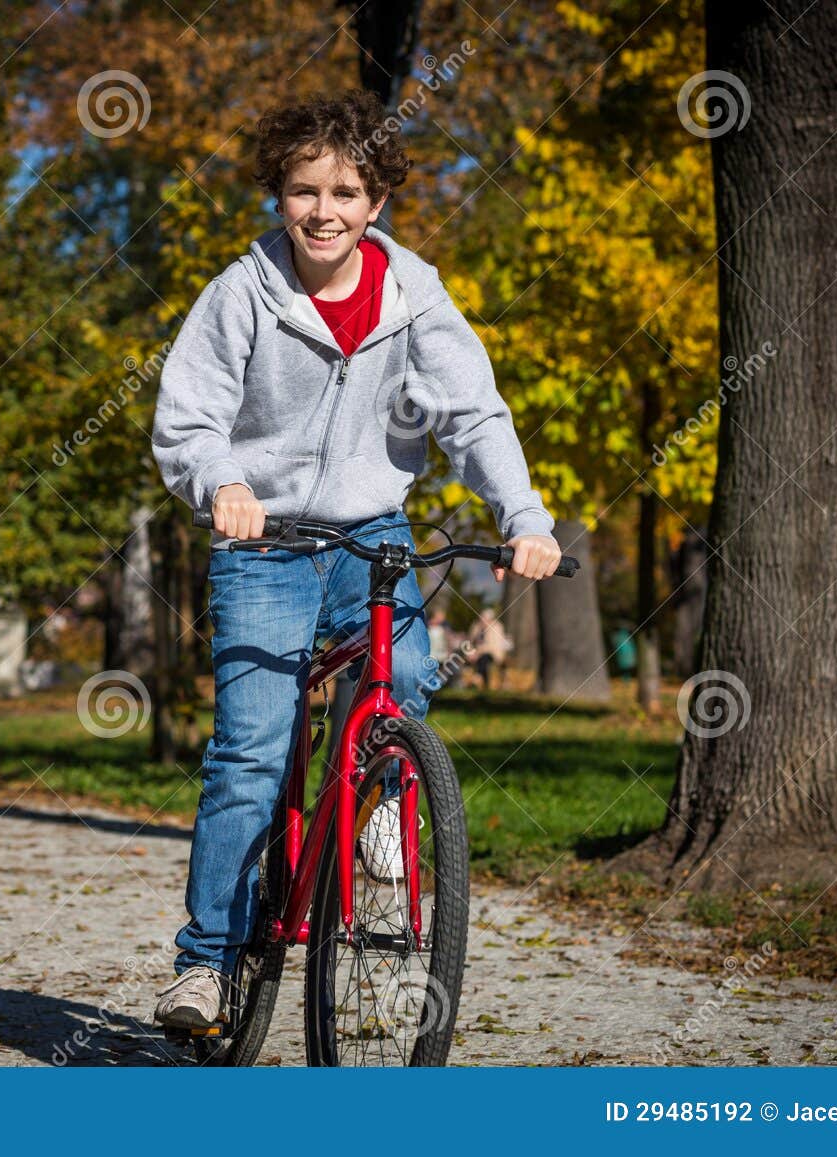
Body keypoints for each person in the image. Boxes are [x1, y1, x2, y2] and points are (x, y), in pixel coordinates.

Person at [149, 91, 563, 1028]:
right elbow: (188, 418)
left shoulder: (415, 295)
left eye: (346, 190)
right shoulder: (242, 290)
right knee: (252, 752)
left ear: (377, 200)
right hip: (264, 546)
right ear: (279, 196)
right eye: (304, 191)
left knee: (406, 673)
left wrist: (524, 516)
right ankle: (205, 961)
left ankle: (381, 803)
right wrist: (222, 483)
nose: (323, 211)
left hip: (372, 534)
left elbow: (474, 415)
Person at [467, 607, 512, 690]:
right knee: (482, 659)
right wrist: (470, 653)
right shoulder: (476, 626)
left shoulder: (496, 627)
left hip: (494, 654)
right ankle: (483, 683)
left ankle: (477, 678)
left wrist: (478, 652)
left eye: (484, 618)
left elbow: (493, 646)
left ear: (490, 619)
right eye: (481, 618)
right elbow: (470, 641)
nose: (482, 620)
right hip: (478, 654)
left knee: (484, 658)